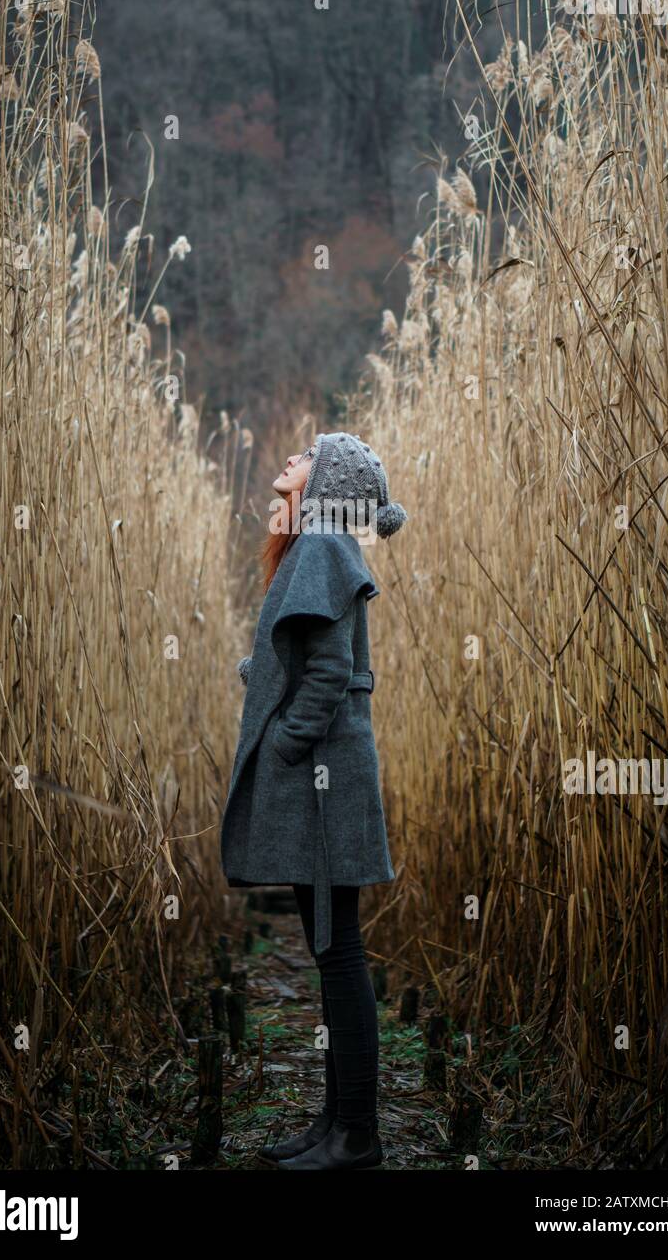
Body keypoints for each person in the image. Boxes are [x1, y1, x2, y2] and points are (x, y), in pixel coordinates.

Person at [219, 431, 408, 1170]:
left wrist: (288, 745)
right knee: (331, 949)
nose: (289, 457)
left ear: (325, 480)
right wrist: (261, 674)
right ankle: (334, 1124)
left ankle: (355, 1135)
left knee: (338, 953)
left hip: (324, 777)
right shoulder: (312, 545)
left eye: (304, 453)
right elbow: (304, 655)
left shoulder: (324, 545)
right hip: (322, 776)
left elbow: (328, 673)